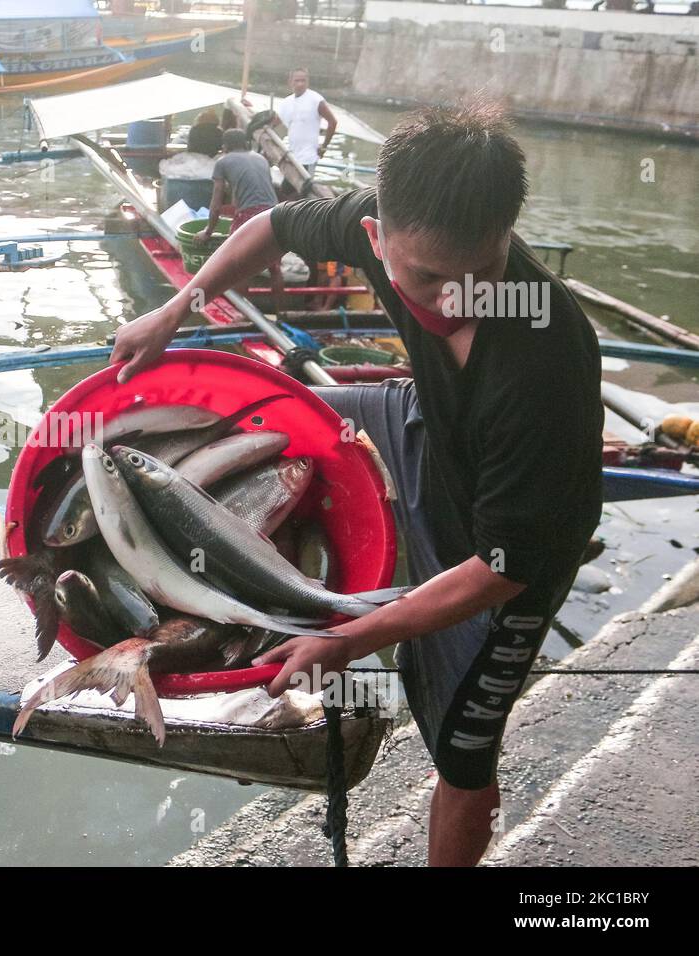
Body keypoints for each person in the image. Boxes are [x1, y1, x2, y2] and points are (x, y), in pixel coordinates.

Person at [110, 101, 603, 867]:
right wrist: (178, 309)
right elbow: (268, 229)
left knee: (462, 750)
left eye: (483, 275)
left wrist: (346, 637)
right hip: (426, 423)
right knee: (255, 415)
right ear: (376, 239)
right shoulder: (372, 222)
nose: (458, 299)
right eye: (430, 278)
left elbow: (505, 569)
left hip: (508, 556)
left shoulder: (544, 364)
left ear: (505, 236)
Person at [201, 128, 285, 311]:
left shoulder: (222, 162)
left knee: (238, 267)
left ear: (225, 146)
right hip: (275, 213)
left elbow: (216, 203)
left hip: (249, 216)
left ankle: (242, 313)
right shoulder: (260, 158)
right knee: (275, 268)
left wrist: (208, 232)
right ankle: (281, 313)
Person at [272, 67, 337, 175]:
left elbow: (333, 122)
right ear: (290, 82)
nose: (300, 84)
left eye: (303, 81)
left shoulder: (316, 100)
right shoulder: (286, 103)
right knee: (288, 188)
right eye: (297, 80)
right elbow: (275, 122)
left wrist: (324, 146)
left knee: (305, 189)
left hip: (309, 157)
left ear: (308, 82)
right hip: (292, 156)